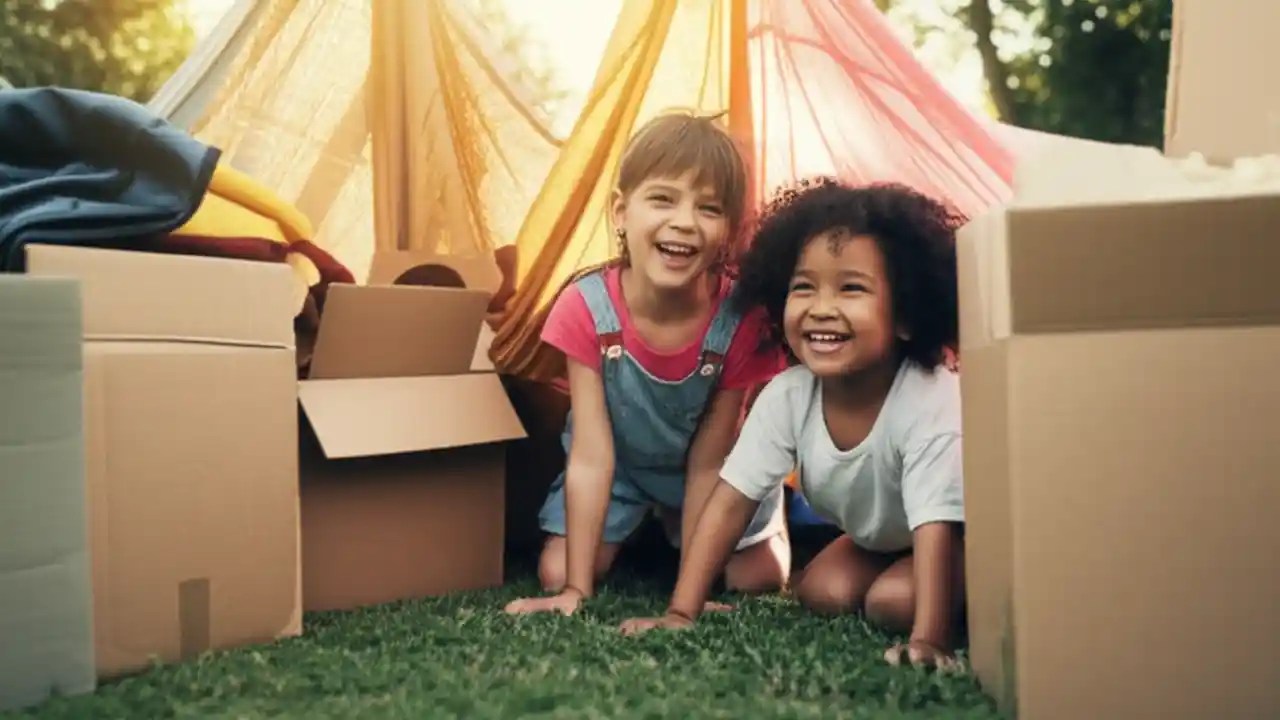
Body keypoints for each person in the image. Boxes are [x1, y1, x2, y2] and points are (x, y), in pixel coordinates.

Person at [617, 178, 967, 670]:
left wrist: (929, 639)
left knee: (892, 603)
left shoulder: (929, 398)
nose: (821, 308)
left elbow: (936, 523)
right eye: (804, 287)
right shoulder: (789, 395)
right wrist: (681, 611)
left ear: (906, 315)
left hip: (958, 536)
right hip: (883, 538)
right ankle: (893, 571)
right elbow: (729, 503)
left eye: (851, 288)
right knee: (823, 592)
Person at [503, 111, 791, 617]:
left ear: (728, 229)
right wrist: (575, 591)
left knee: (756, 579)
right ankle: (647, 524)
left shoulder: (741, 321)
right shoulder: (585, 307)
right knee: (557, 571)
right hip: (623, 470)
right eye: (663, 198)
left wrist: (689, 594)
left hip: (713, 475)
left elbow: (710, 463)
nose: (684, 221)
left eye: (709, 208)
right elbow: (591, 456)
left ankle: (722, 529)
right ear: (621, 211)